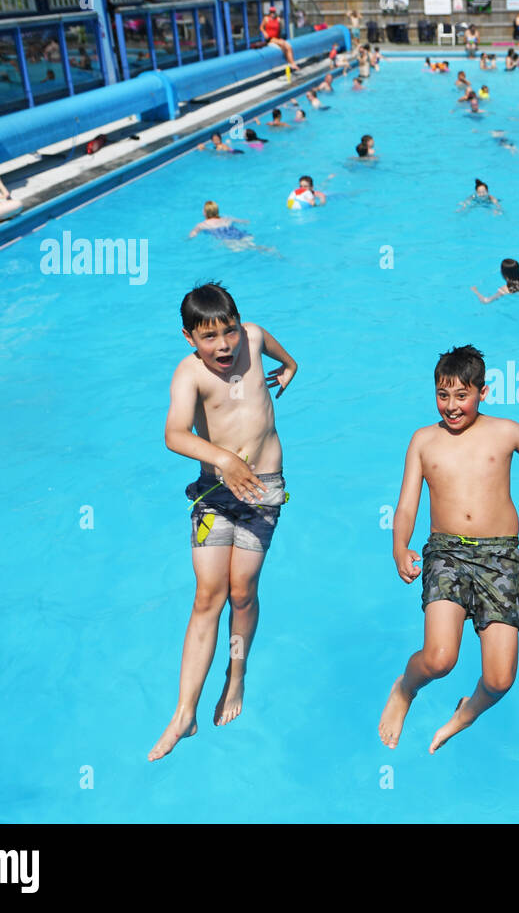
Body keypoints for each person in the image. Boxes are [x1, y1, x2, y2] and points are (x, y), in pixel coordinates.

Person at [377, 345, 519, 753]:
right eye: (442, 394)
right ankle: (404, 689)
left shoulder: (506, 432)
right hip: (445, 553)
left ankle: (465, 714)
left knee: (501, 679)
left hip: (499, 558)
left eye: (461, 395)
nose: (451, 406)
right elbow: (406, 505)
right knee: (439, 658)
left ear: (483, 392)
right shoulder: (423, 440)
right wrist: (399, 546)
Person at [148, 282, 298, 761]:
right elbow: (174, 433)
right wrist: (223, 460)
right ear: (189, 338)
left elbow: (281, 353)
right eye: (209, 337)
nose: (224, 345)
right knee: (207, 594)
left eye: (229, 331)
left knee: (242, 591)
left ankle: (236, 676)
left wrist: (290, 368)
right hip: (214, 493)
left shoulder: (253, 338)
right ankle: (184, 713)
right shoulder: (189, 374)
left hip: (262, 491)